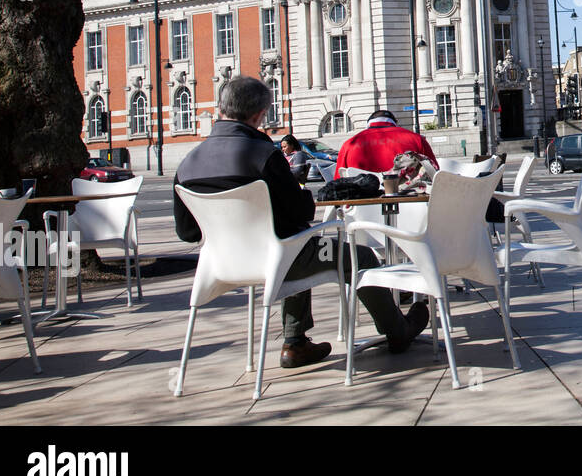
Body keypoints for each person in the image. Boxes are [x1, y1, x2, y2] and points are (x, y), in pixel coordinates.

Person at [175, 77, 428, 369]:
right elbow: (300, 213)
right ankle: (397, 331)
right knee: (357, 255)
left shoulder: (187, 163)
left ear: (221, 109)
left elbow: (187, 232)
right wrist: (303, 197)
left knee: (293, 239)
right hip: (277, 258)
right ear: (258, 115)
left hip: (220, 265)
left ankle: (295, 343)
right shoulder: (263, 155)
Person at [337, 110, 438, 173]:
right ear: (395, 123)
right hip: (408, 201)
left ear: (368, 123)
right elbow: (434, 171)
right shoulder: (417, 139)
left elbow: (339, 178)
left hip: (363, 203)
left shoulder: (349, 144)